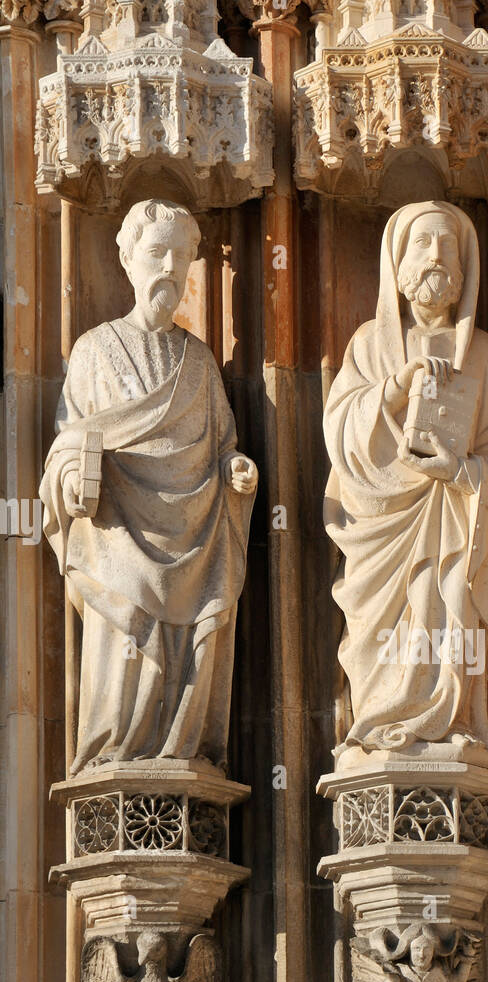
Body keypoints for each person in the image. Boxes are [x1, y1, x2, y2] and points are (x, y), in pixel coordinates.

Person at [40, 198, 257, 773]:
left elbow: (222, 441)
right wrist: (72, 474)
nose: (168, 269)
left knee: (193, 641)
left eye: (181, 258)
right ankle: (118, 759)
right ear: (128, 260)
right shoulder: (93, 349)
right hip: (117, 535)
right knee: (128, 641)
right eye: (156, 253)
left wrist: (235, 468)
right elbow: (68, 441)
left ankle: (181, 754)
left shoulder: (200, 360)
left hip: (195, 531)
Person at [323, 200, 488, 767]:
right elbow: (340, 434)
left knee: (451, 606)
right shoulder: (369, 345)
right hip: (382, 531)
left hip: (452, 522)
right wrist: (394, 389)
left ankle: (450, 724)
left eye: (447, 245)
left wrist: (459, 471)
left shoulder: (480, 352)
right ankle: (380, 723)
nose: (436, 256)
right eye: (424, 243)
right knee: (381, 636)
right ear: (397, 263)